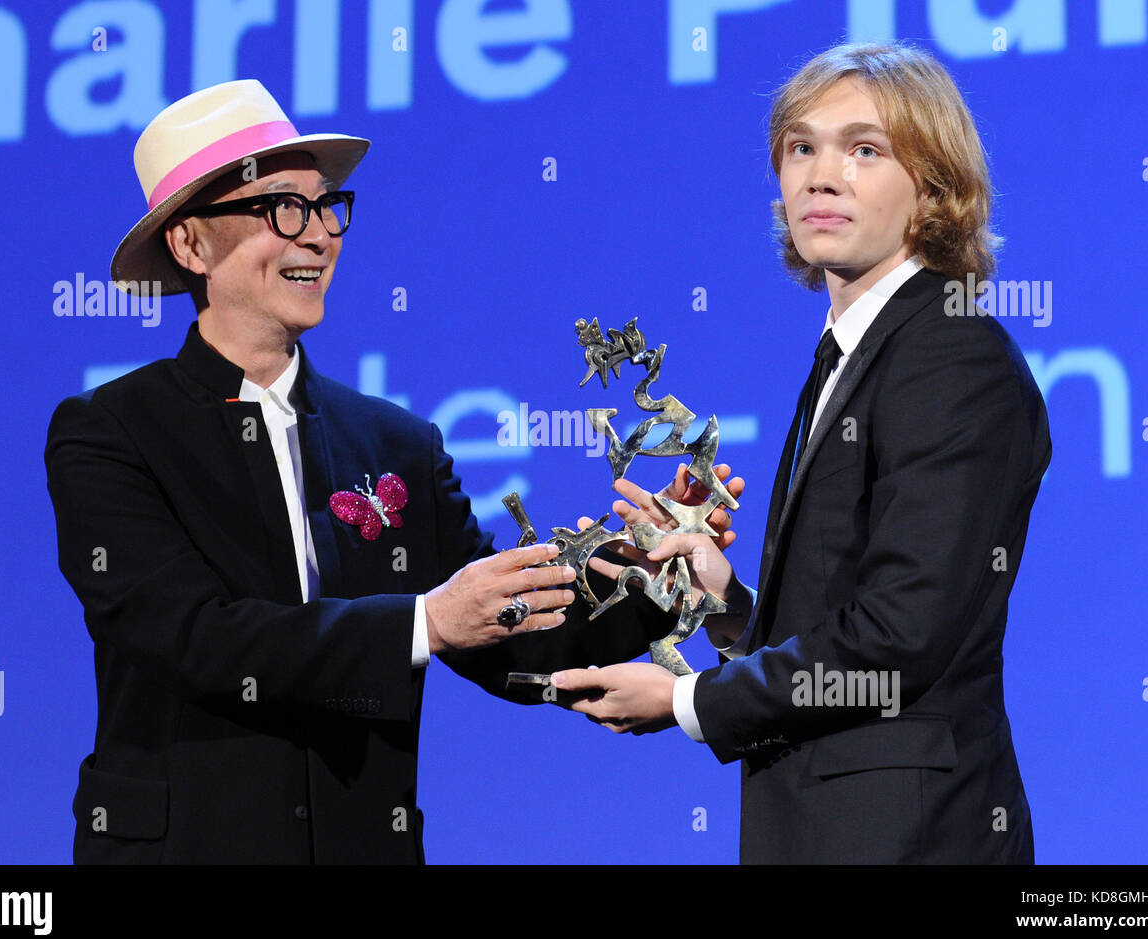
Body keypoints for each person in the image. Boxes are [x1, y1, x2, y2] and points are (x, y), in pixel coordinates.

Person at [44, 79, 738, 864]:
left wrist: (645, 569)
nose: (317, 236)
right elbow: (195, 637)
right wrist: (424, 622)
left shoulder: (393, 439)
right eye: (281, 208)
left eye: (326, 205)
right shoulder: (111, 433)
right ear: (191, 245)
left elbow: (509, 634)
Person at [553, 42, 1051, 864]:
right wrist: (729, 606)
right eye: (801, 147)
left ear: (931, 185)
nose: (821, 176)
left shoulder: (951, 352)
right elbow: (845, 622)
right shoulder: (855, 354)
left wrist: (688, 700)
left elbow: (900, 637)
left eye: (864, 149)